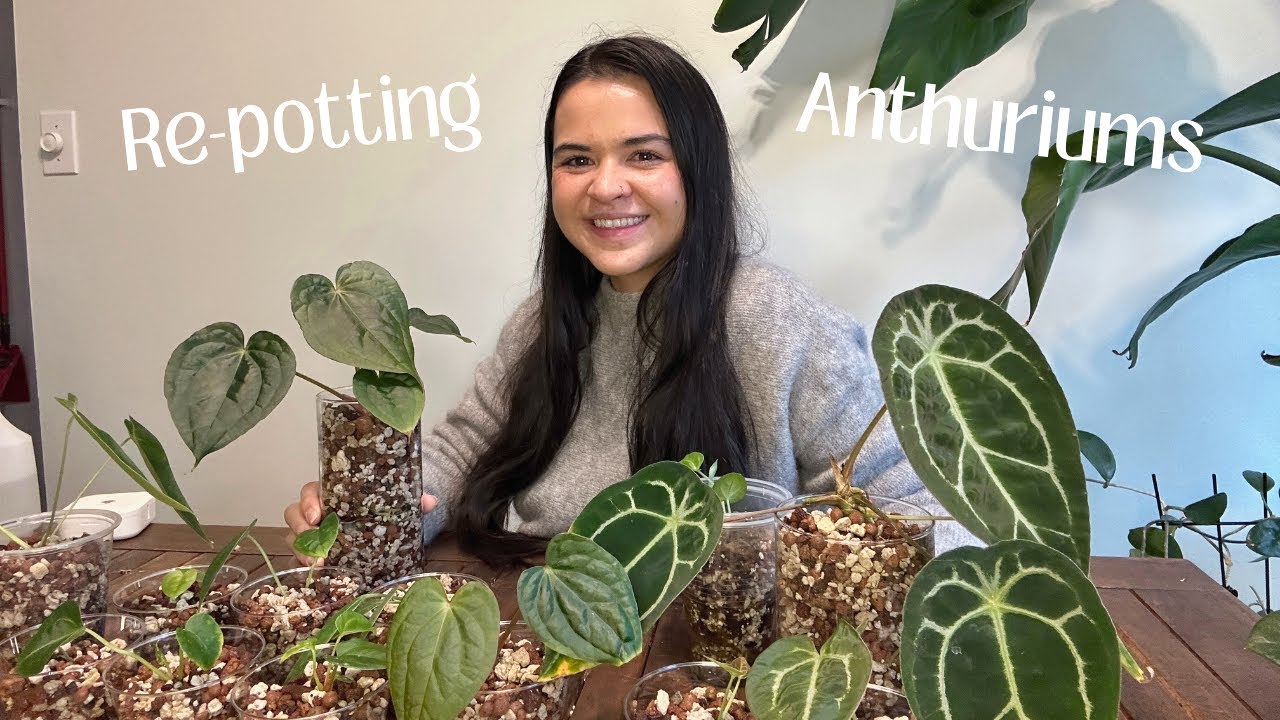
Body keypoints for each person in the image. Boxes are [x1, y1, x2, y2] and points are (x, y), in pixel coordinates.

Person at [284, 33, 969, 567]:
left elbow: (930, 512)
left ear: (696, 173)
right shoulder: (540, 324)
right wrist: (382, 504)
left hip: (715, 664)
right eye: (576, 159)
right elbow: (462, 451)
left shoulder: (774, 318)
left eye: (643, 156)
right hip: (549, 634)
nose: (605, 186)